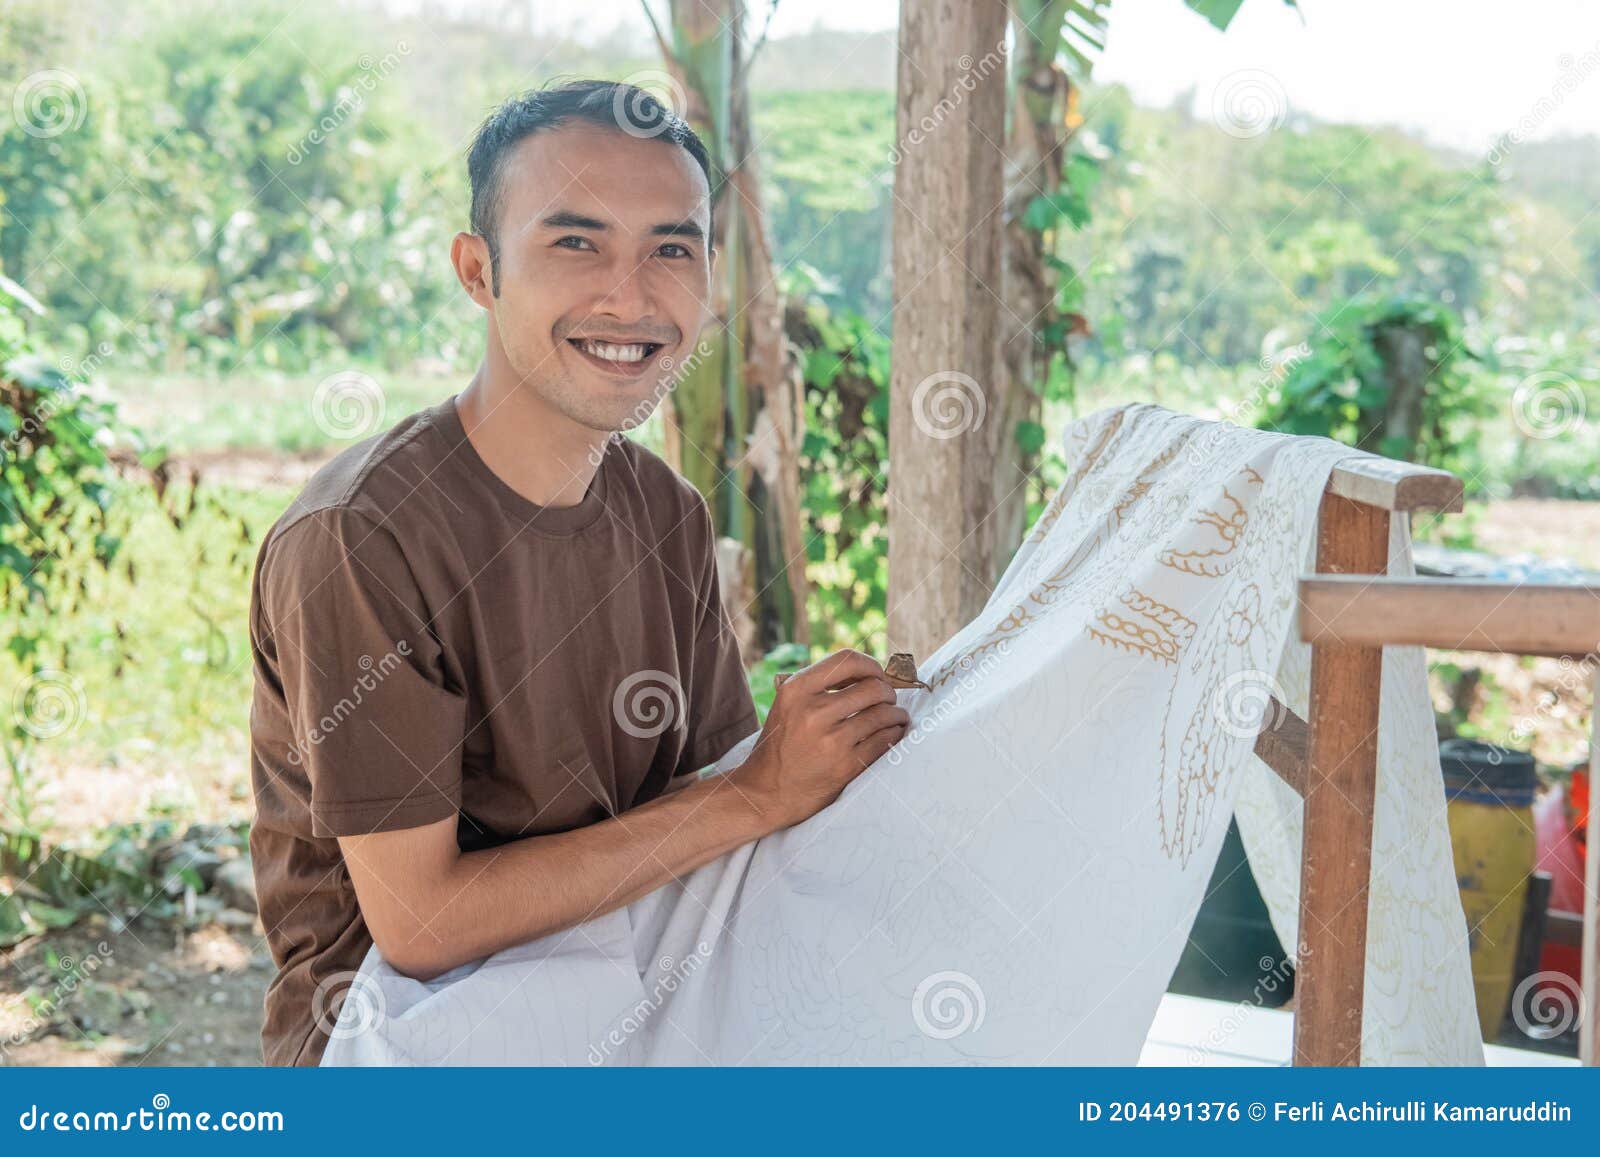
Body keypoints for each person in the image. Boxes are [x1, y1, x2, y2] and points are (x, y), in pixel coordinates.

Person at [247, 80, 910, 1066]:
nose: (630, 299)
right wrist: (756, 792)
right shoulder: (361, 536)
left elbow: (704, 812)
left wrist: (852, 745)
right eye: (575, 243)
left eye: (671, 250)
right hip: (406, 1042)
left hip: (630, 998)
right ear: (478, 270)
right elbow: (421, 922)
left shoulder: (665, 512)